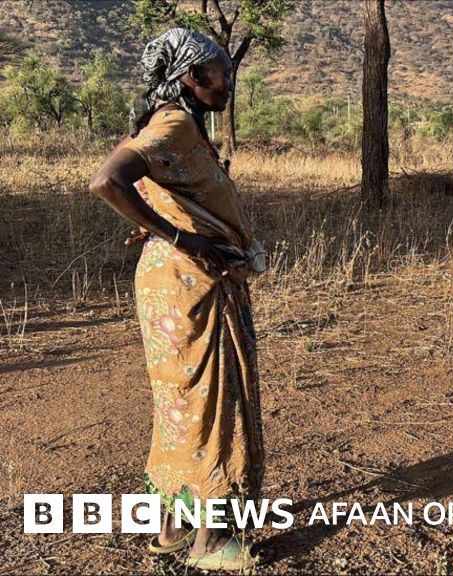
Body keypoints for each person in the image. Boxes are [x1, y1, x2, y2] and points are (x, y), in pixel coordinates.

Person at [88, 28, 266, 571]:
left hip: (177, 284)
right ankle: (209, 542)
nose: (229, 81)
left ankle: (169, 527)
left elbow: (149, 187)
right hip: (191, 285)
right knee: (214, 402)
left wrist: (160, 226)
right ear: (192, 78)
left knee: (180, 405)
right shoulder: (173, 125)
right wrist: (181, 237)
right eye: (221, 73)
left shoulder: (173, 125)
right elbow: (107, 181)